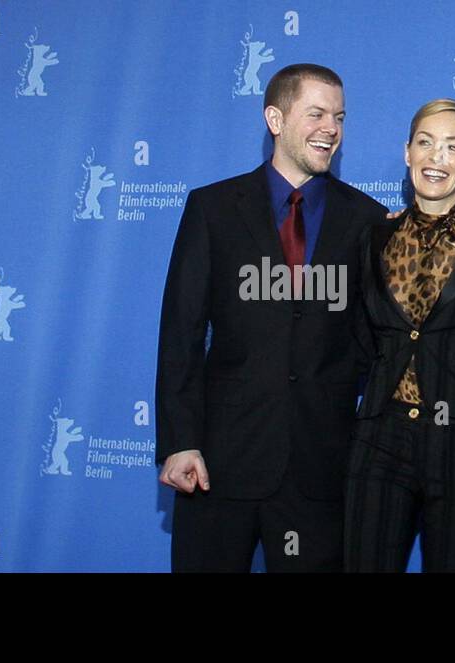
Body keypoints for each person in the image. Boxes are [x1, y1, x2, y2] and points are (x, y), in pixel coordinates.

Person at [155, 63, 386, 572]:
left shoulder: (367, 220)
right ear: (275, 119)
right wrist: (179, 442)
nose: (331, 128)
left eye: (340, 117)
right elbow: (181, 333)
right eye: (318, 113)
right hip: (217, 462)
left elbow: (381, 336)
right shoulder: (212, 209)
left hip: (321, 466)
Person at [344, 99, 455, 572]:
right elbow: (360, 340)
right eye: (425, 143)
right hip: (381, 433)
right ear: (407, 153)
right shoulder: (372, 239)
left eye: (452, 147)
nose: (436, 157)